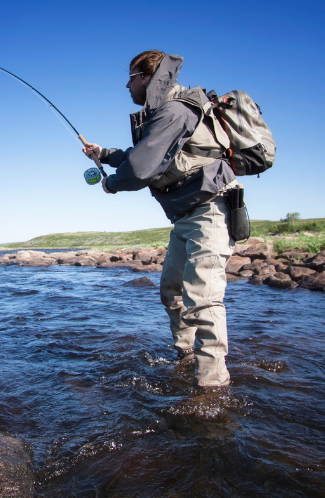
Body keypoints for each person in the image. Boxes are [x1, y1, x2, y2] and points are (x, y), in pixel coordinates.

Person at [83, 50, 237, 388]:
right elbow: (147, 155)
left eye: (132, 76)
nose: (127, 84)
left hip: (210, 211)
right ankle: (187, 357)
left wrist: (110, 183)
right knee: (172, 291)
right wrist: (104, 154)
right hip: (185, 217)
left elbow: (140, 169)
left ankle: (212, 389)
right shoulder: (164, 112)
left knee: (204, 300)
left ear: (149, 76)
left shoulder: (175, 109)